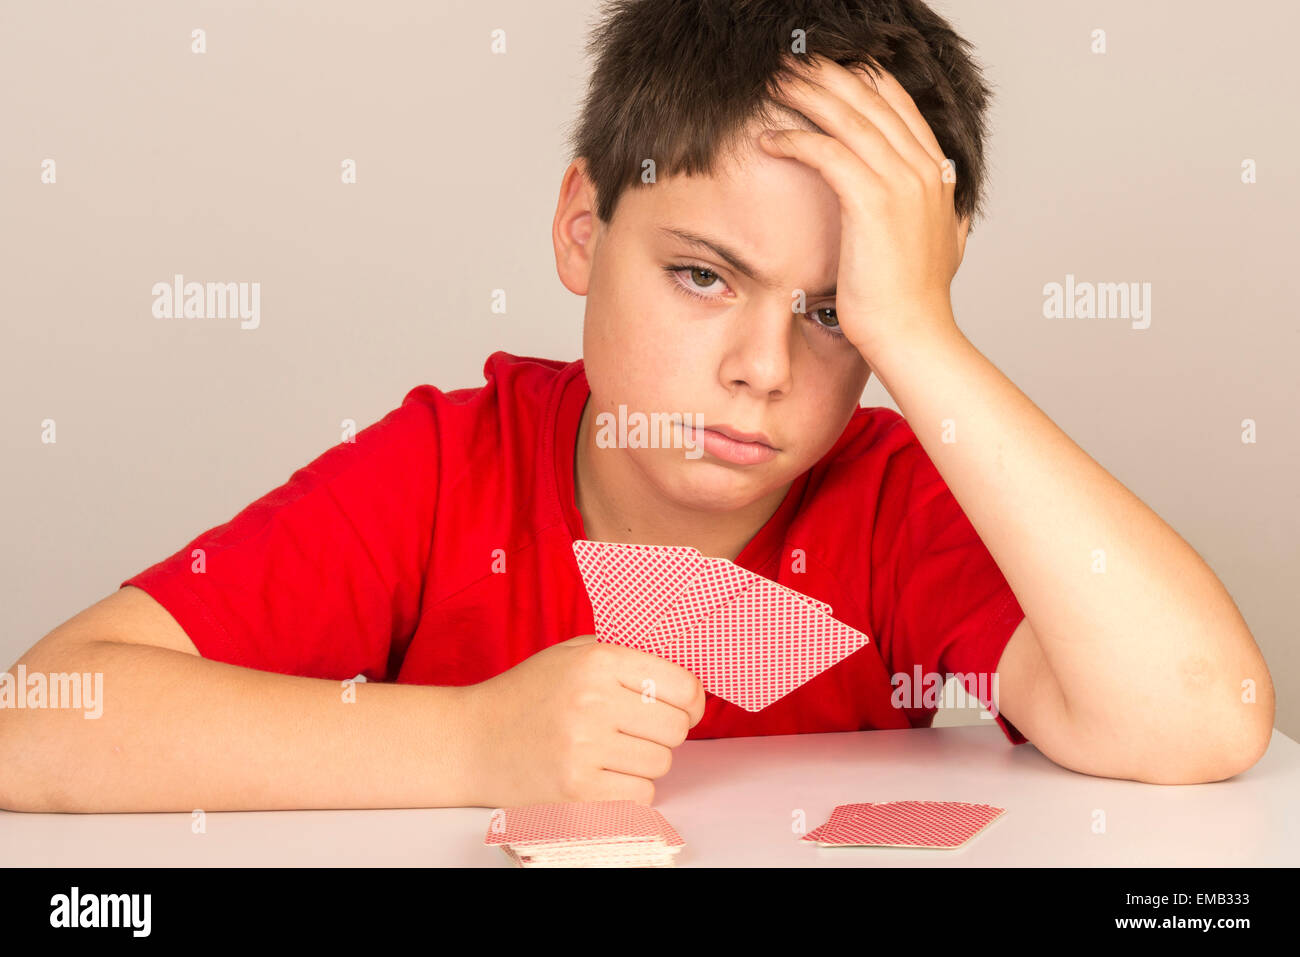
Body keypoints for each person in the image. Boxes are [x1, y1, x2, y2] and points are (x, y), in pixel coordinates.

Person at [0, 0, 1273, 813]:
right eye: (701, 276)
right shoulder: (446, 470)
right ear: (580, 227)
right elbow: (39, 721)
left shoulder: (892, 509)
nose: (761, 369)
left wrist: (921, 336)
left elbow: (1197, 720)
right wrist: (472, 748)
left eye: (833, 312)